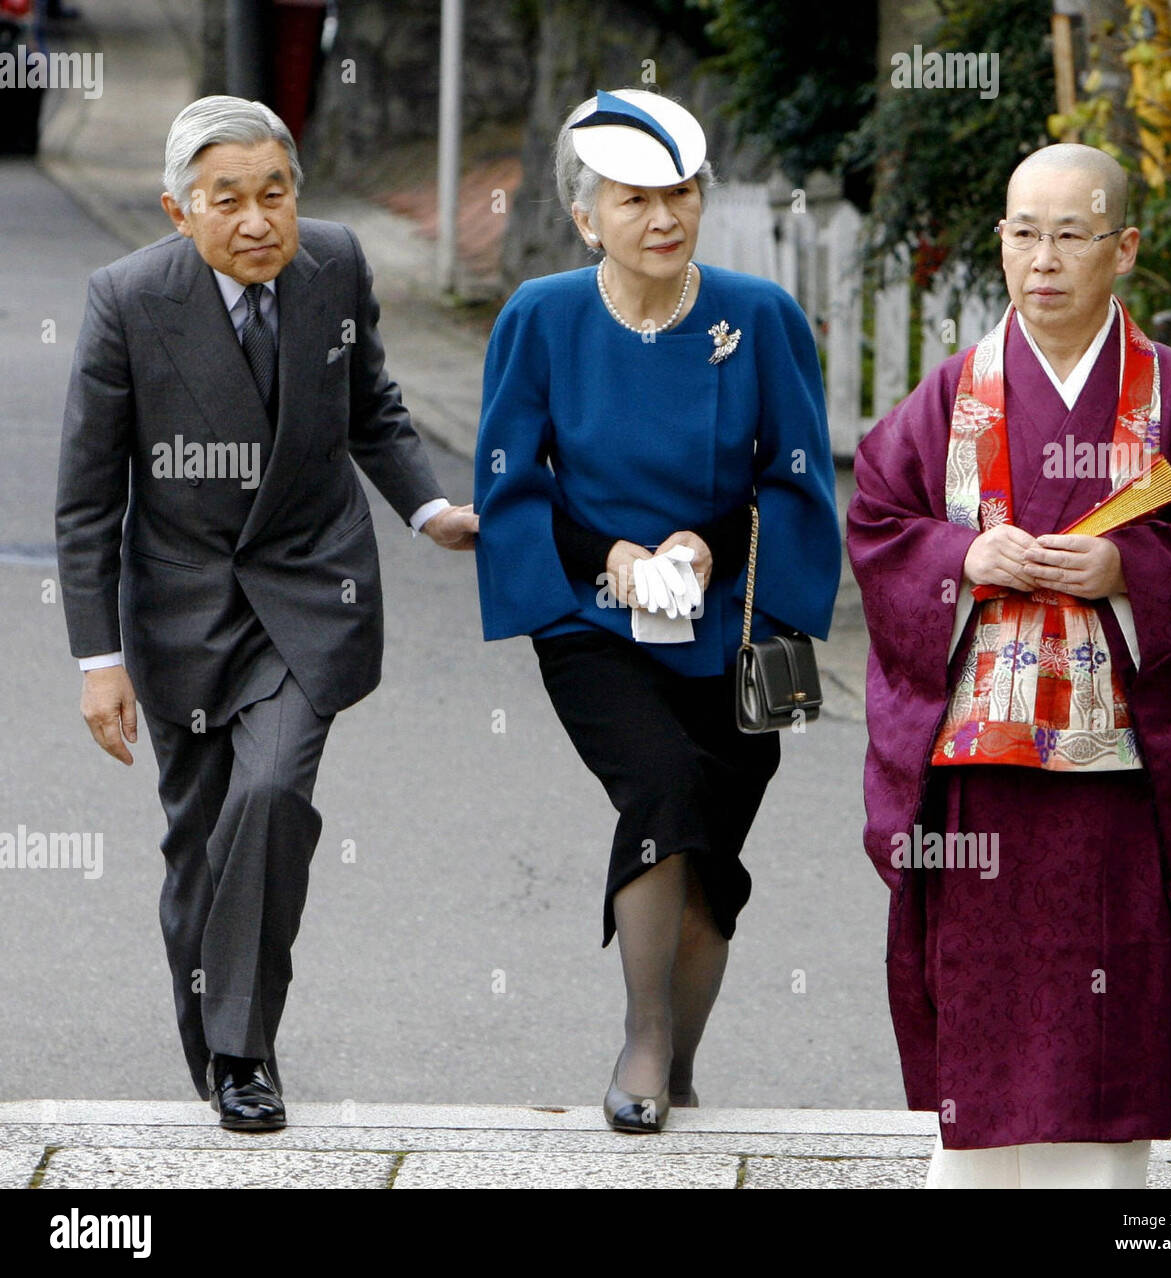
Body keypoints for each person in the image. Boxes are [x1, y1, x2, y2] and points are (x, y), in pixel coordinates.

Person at [847, 143, 1171, 1188]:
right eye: (1023, 233)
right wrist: (963, 557)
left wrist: (1126, 566)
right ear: (998, 243)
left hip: (1122, 767)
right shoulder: (951, 396)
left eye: (1070, 234)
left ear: (1121, 248)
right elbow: (879, 522)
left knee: (1111, 998)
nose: (1042, 259)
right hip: (980, 768)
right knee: (983, 995)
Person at [55, 95, 478, 1131]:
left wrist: (426, 507)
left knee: (272, 794)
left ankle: (245, 1050)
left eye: (276, 193)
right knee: (199, 840)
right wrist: (96, 660)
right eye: (228, 200)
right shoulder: (125, 300)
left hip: (307, 591)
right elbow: (86, 499)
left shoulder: (333, 265)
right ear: (178, 211)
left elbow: (369, 403)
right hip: (183, 609)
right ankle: (215, 1037)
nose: (258, 221)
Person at [473, 89, 841, 1132]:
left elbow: (800, 473)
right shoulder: (540, 318)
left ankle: (679, 1065)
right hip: (595, 621)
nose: (663, 217)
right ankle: (642, 1039)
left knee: (712, 850)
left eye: (680, 193)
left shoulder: (756, 315)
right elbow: (512, 479)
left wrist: (703, 544)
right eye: (633, 199)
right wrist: (613, 556)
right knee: (664, 786)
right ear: (586, 216)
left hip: (737, 620)